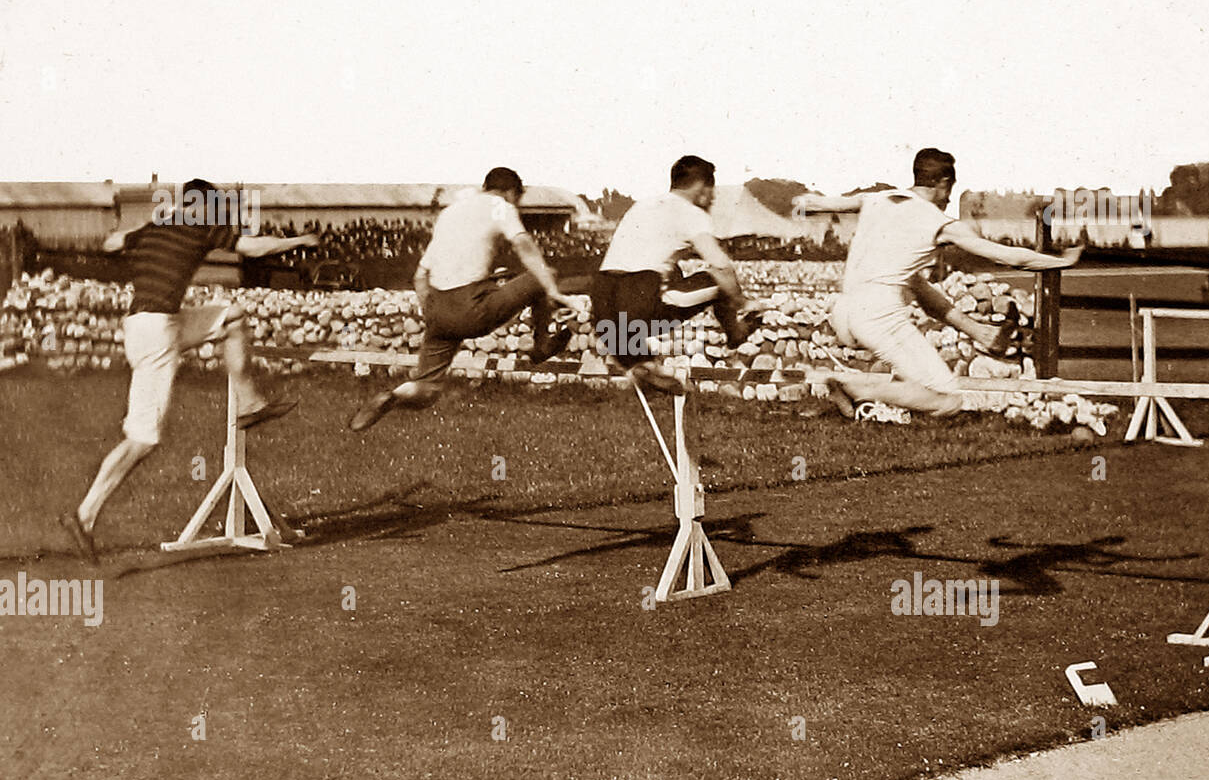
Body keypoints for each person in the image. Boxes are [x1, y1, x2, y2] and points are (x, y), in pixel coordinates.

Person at [61, 179, 318, 563]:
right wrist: (299, 243)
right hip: (157, 332)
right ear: (201, 206)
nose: (218, 215)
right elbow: (252, 248)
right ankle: (84, 515)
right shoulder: (200, 227)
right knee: (143, 438)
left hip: (150, 324)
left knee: (232, 317)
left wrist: (137, 236)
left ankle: (248, 401)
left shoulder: (157, 226)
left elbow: (111, 244)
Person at [827, 148, 1081, 419]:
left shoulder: (882, 203)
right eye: (950, 189)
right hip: (879, 316)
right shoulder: (936, 221)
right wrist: (1060, 262)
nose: (949, 199)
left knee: (915, 370)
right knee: (948, 400)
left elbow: (924, 295)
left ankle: (869, 401)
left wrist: (978, 332)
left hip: (844, 311)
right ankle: (854, 388)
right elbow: (1007, 256)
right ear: (943, 182)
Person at [349, 167, 585, 431]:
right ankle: (541, 345)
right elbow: (523, 245)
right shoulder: (501, 206)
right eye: (518, 199)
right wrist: (552, 291)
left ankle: (392, 397)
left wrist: (433, 316)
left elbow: (419, 277)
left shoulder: (450, 213)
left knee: (426, 390)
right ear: (511, 192)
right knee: (544, 275)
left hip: (438, 309)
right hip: (472, 307)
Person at [589, 154, 758, 393]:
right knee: (718, 278)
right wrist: (742, 301)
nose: (711, 200)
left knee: (669, 276)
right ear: (701, 187)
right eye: (711, 193)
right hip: (638, 301)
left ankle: (641, 364)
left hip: (602, 309)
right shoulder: (690, 212)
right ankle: (735, 333)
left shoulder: (642, 206)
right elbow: (721, 266)